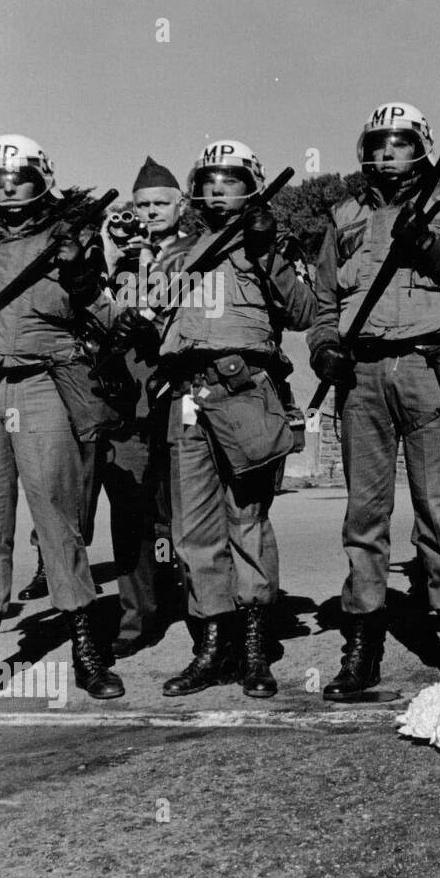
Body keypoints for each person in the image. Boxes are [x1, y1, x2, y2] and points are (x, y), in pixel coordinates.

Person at [309, 103, 440, 696]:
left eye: (400, 143)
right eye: (378, 144)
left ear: (422, 148)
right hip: (361, 376)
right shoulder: (343, 216)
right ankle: (363, 645)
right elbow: (323, 304)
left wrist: (435, 252)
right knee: (365, 514)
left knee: (439, 511)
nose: (387, 154)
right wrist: (324, 349)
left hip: (427, 365)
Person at [0, 135, 125, 698]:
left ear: (42, 179)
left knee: (58, 515)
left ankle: (87, 648)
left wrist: (78, 265)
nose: (8, 192)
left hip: (42, 381)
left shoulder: (74, 236)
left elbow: (89, 302)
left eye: (19, 179)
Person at [157, 139, 316, 699]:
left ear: (251, 182)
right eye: (209, 178)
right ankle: (211, 647)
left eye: (230, 178)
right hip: (186, 395)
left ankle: (254, 647)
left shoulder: (270, 241)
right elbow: (153, 312)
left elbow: (305, 311)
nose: (217, 188)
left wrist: (268, 251)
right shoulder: (175, 249)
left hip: (246, 387)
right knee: (194, 530)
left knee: (246, 519)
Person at [97, 157, 190, 657]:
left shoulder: (198, 252)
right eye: (142, 205)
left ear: (181, 206)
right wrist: (112, 256)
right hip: (129, 402)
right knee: (132, 514)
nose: (150, 213)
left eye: (160, 204)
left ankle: (203, 615)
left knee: (186, 512)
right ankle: (137, 618)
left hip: (179, 394)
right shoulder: (122, 260)